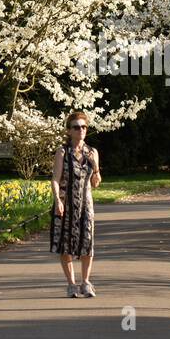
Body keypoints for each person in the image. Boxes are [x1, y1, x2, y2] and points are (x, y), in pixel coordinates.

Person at [50, 110, 101, 297]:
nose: (81, 130)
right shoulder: (62, 152)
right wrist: (58, 200)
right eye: (76, 127)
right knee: (66, 244)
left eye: (84, 127)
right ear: (69, 131)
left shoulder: (92, 152)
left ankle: (86, 281)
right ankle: (71, 284)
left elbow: (96, 183)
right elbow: (55, 178)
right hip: (67, 203)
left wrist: (95, 167)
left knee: (87, 242)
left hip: (86, 204)